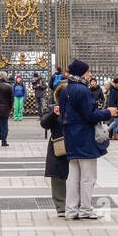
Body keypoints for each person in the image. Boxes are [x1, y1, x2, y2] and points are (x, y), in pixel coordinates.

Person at [59, 61, 118, 219]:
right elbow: (90, 115)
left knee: (73, 177)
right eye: (88, 71)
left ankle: (71, 210)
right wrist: (108, 112)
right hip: (85, 137)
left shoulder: (66, 89)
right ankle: (85, 209)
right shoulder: (82, 90)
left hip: (71, 137)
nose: (90, 74)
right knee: (88, 177)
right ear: (81, 73)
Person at [41, 82, 69, 216]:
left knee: (76, 176)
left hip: (76, 145)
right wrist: (54, 114)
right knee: (58, 176)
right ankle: (61, 207)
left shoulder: (78, 107)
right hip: (59, 145)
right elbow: (44, 123)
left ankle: (76, 204)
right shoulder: (53, 108)